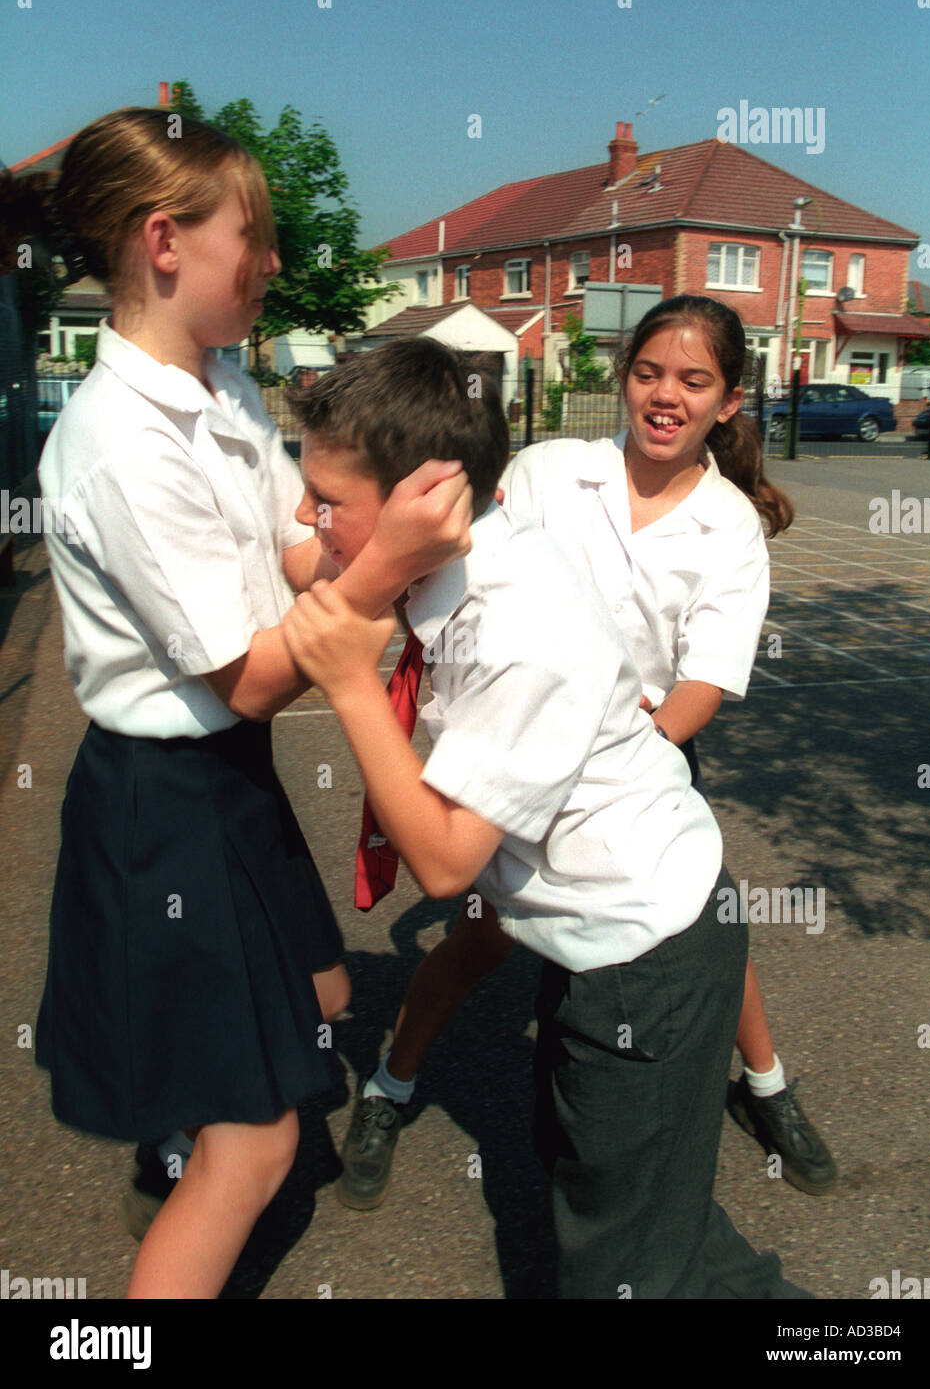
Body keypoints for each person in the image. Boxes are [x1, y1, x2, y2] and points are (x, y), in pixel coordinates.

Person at [5, 108, 471, 1299]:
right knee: (259, 1141)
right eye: (251, 236)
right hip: (165, 796)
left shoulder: (219, 383)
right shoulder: (122, 445)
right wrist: (379, 567)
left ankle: (178, 1145)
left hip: (228, 777)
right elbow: (256, 673)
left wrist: (407, 556)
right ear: (165, 242)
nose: (271, 261)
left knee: (319, 992)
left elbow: (294, 547)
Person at [281, 336, 810, 1297]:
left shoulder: (519, 629)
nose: (304, 519)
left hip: (642, 958)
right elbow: (309, 571)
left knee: (629, 1269)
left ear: (424, 502)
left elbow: (444, 864)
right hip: (604, 946)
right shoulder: (474, 550)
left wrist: (350, 684)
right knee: (616, 1193)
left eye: (325, 503)